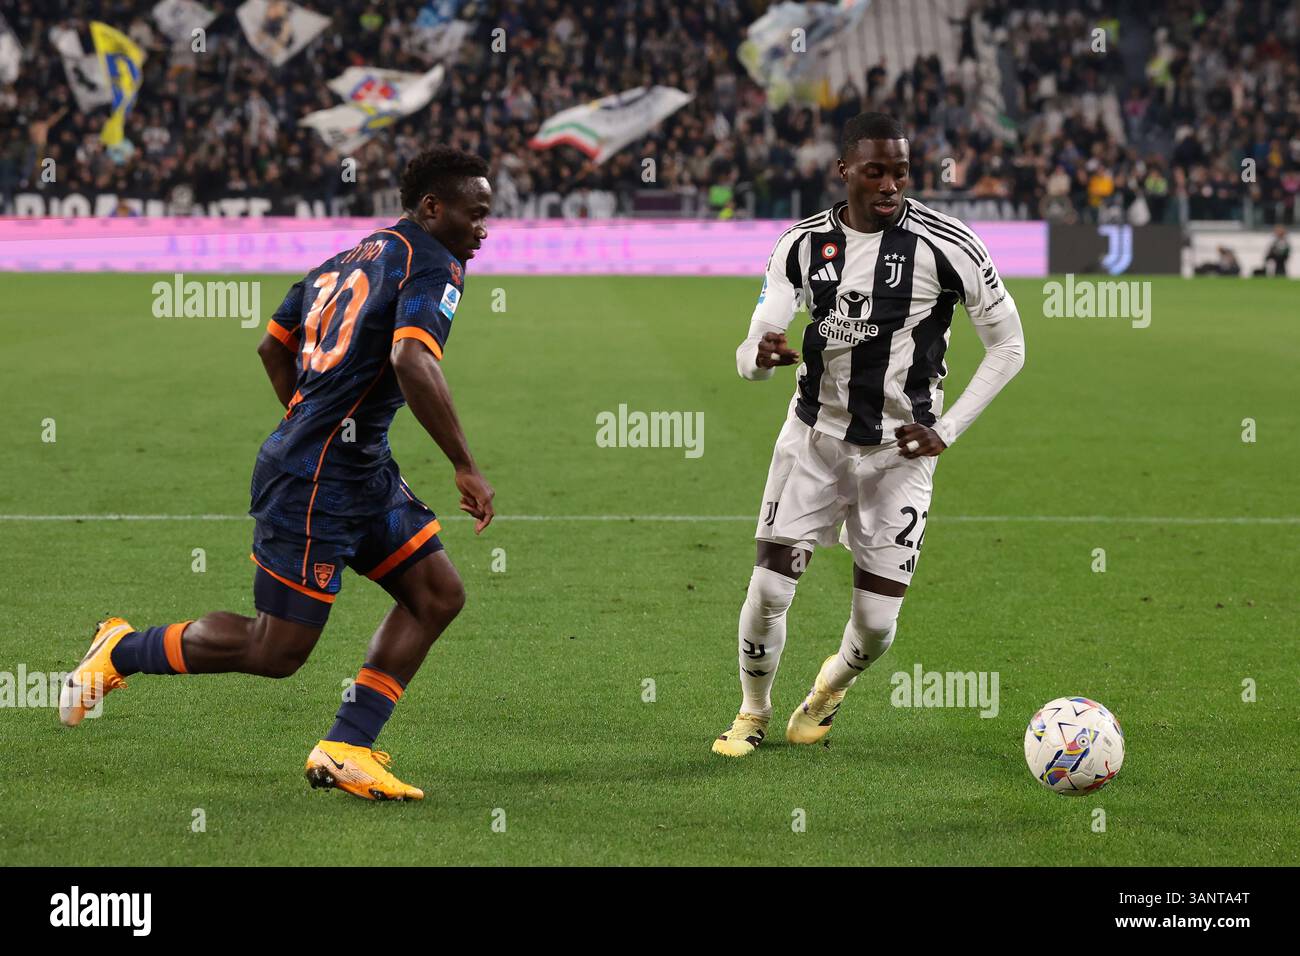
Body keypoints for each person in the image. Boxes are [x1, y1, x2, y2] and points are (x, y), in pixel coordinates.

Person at [59, 146, 496, 801]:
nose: (484, 228)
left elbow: (273, 344)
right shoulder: (436, 262)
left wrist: (307, 417)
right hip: (317, 478)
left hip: (353, 465)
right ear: (433, 208)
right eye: (476, 213)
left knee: (437, 595)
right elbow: (411, 358)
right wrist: (464, 464)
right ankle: (122, 650)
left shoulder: (343, 260)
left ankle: (346, 747)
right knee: (275, 651)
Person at [713, 112, 1026, 757]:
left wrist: (948, 428)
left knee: (877, 627)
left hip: (898, 456)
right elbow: (753, 343)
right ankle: (751, 714)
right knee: (770, 586)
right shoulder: (800, 245)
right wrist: (757, 355)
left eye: (901, 172)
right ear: (844, 172)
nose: (890, 184)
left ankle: (825, 693)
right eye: (875, 171)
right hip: (813, 442)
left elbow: (1010, 347)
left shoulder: (951, 246)